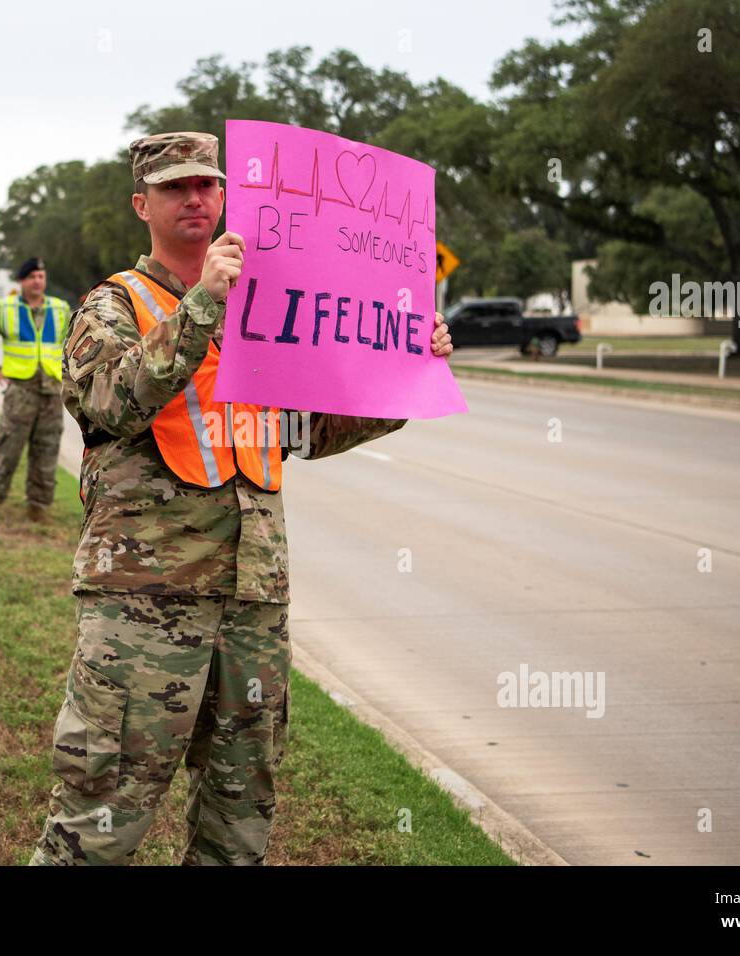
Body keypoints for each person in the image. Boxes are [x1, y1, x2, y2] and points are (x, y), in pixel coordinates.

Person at [29, 132, 453, 865]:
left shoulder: (270, 308)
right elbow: (109, 401)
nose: (194, 198)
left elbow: (310, 428)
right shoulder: (113, 304)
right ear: (142, 205)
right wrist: (202, 304)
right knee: (103, 815)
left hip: (253, 602)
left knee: (240, 817)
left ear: (226, 196)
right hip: (145, 604)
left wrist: (405, 370)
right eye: (174, 188)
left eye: (207, 185)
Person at [0, 257, 71, 520]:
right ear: (22, 281)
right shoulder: (5, 309)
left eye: (41, 276)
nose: (37, 281)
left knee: (47, 451)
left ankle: (38, 508)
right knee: (8, 449)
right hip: (20, 392)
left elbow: (74, 345)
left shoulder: (60, 310)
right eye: (31, 277)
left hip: (51, 392)